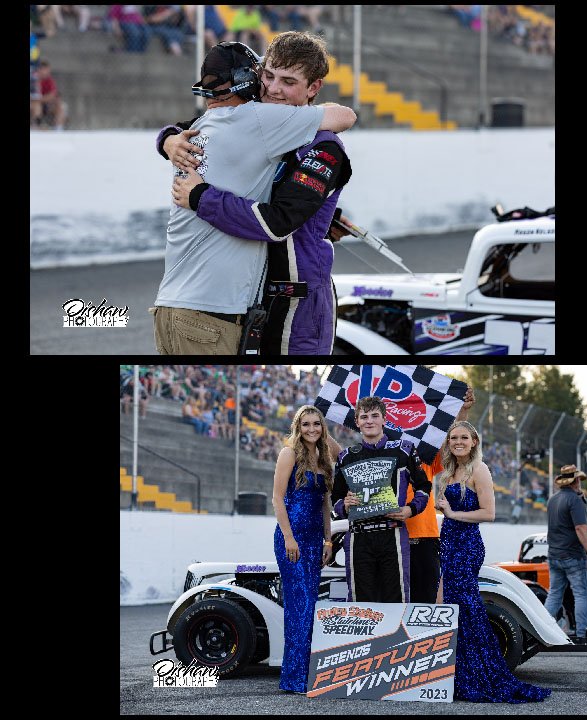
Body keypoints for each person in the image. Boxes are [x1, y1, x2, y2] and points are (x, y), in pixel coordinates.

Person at [151, 41, 356, 354]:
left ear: (313, 88)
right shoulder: (255, 121)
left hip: (296, 306)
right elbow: (194, 128)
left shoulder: (322, 146)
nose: (273, 89)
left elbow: (279, 221)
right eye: (269, 76)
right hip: (251, 303)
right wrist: (169, 140)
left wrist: (200, 197)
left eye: (288, 82)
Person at [435, 420, 551, 702]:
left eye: (464, 437)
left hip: (466, 545)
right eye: (453, 438)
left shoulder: (480, 469)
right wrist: (443, 511)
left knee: (467, 608)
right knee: (451, 607)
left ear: (474, 441)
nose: (458, 442)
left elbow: (489, 513)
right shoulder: (449, 472)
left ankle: (479, 676)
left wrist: (452, 514)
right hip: (448, 543)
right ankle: (456, 676)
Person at [331, 396, 431, 603]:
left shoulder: (404, 449)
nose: (369, 421)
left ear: (384, 420)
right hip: (359, 536)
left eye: (375, 416)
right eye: (364, 416)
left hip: (392, 532)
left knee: (397, 599)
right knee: (361, 602)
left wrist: (410, 510)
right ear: (357, 422)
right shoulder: (346, 457)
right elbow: (335, 499)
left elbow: (424, 487)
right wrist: (345, 505)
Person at [270, 405, 335, 693]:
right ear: (298, 426)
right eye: (306, 424)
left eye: (317, 424)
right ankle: (294, 678)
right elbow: (277, 498)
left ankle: (304, 673)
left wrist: (328, 539)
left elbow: (324, 504)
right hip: (291, 538)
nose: (311, 429)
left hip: (313, 541)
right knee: (300, 605)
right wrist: (288, 537)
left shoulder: (324, 458)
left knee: (308, 605)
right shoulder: (289, 454)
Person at [404, 388, 473, 605]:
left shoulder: (422, 457)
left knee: (427, 603)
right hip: (392, 539)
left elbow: (453, 446)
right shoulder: (379, 458)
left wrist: (462, 411)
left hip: (426, 539)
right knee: (397, 604)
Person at [543, 465, 587, 643]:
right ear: (576, 481)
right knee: (581, 594)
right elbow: (580, 528)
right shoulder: (574, 500)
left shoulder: (553, 499)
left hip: (554, 555)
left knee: (554, 594)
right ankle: (583, 634)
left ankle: (542, 631)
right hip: (573, 555)